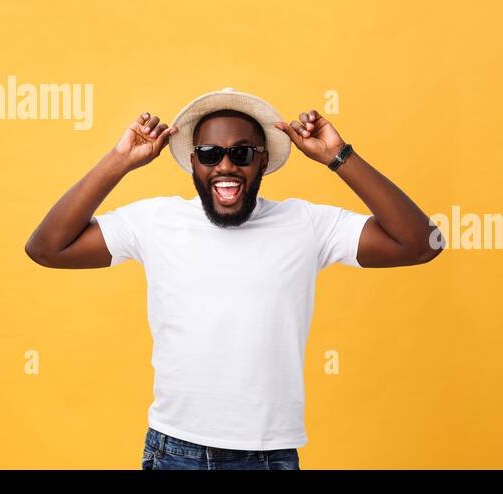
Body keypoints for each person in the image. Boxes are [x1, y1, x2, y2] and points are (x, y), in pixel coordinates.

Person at [24, 88, 441, 469]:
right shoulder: (155, 221)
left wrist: (339, 156)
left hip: (269, 454)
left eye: (242, 154)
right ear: (193, 161)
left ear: (263, 161)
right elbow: (47, 248)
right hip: (175, 451)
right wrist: (119, 162)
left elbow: (422, 243)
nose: (226, 166)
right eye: (209, 153)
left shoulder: (305, 224)